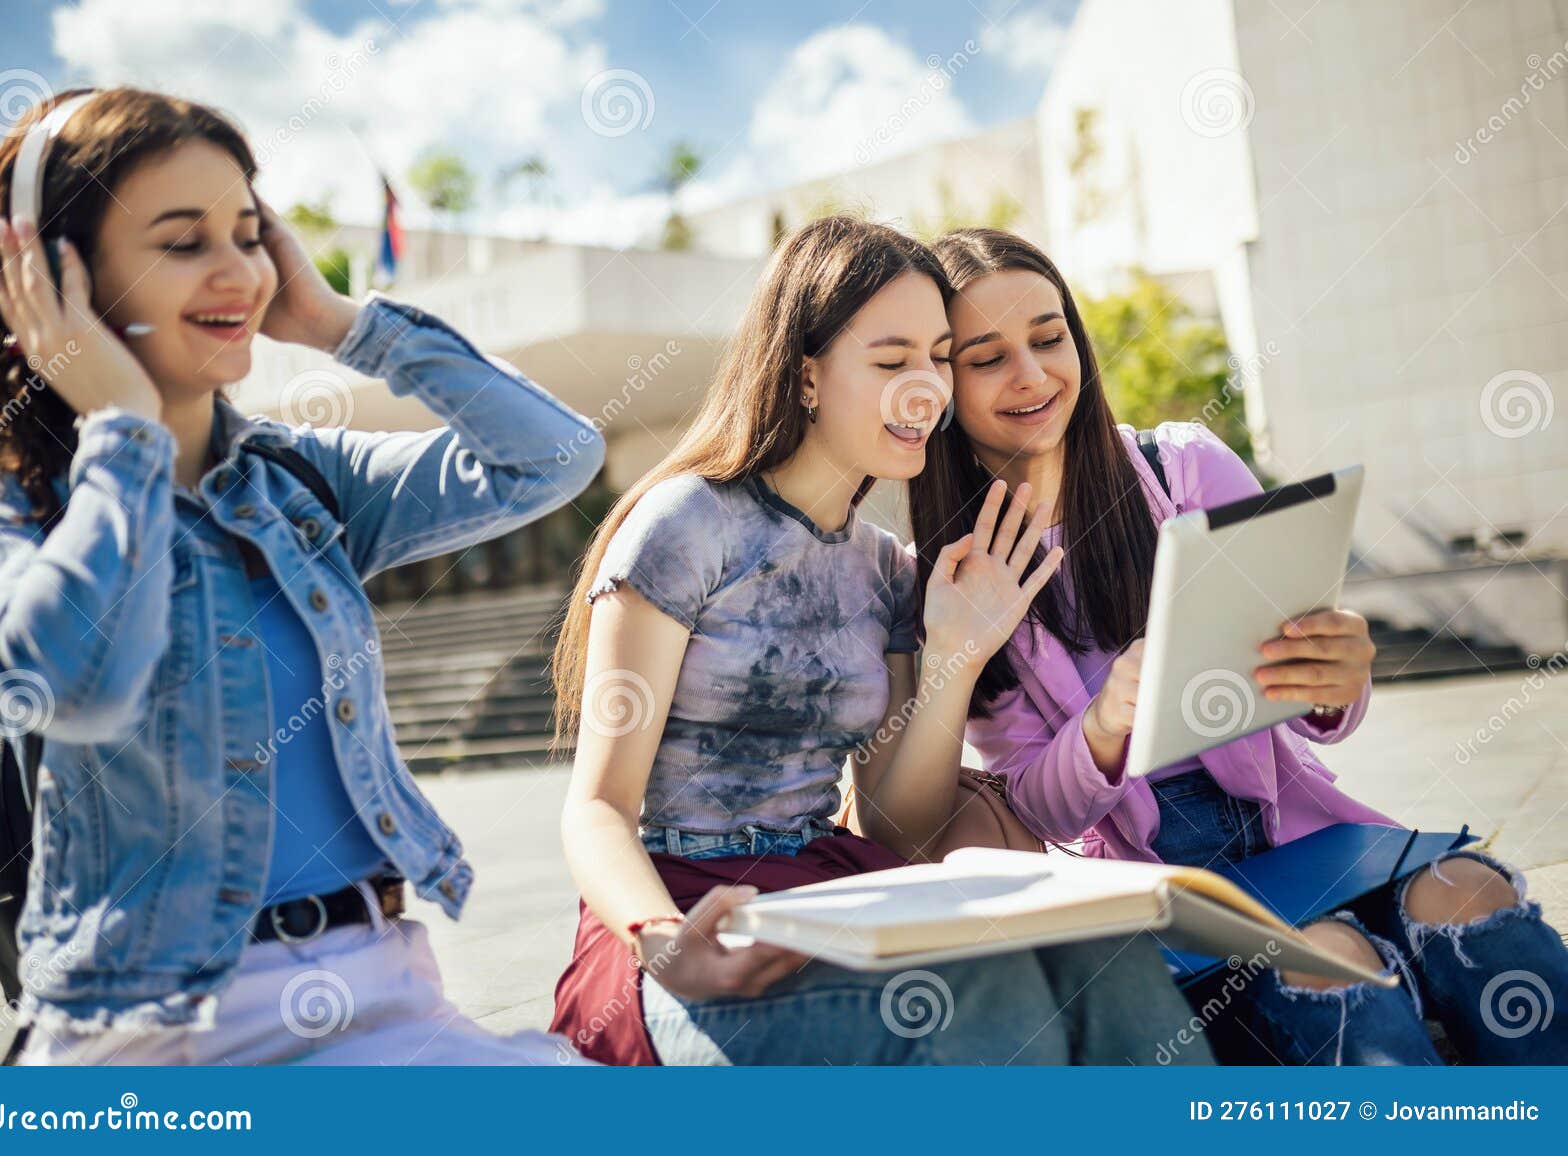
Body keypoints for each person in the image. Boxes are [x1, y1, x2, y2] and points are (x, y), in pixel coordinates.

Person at [0, 87, 604, 1064]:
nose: (237, 271)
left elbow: (551, 457)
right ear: (54, 277)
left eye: (249, 231)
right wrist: (127, 433)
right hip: (157, 1034)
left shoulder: (300, 476)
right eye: (183, 241)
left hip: (384, 989)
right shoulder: (2, 501)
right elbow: (71, 682)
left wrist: (342, 322)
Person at [549, 216, 1212, 1066]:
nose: (928, 388)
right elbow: (598, 808)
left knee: (1106, 953)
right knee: (984, 1000)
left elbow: (898, 825)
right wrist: (666, 940)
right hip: (681, 912)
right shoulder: (688, 524)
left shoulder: (888, 572)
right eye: (893, 361)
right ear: (808, 377)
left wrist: (954, 658)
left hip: (831, 891)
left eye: (940, 358)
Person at [909, 226, 1568, 1065]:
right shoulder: (954, 570)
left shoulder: (1180, 465)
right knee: (1334, 965)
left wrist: (1336, 673)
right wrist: (1106, 725)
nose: (1033, 374)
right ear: (943, 379)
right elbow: (1038, 811)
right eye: (987, 356)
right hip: (1163, 887)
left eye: (1048, 337)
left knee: (1473, 898)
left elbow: (1311, 693)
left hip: (1302, 830)